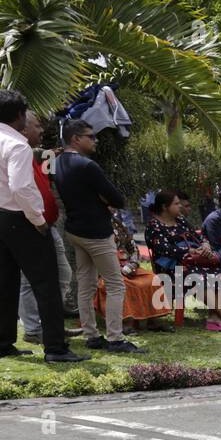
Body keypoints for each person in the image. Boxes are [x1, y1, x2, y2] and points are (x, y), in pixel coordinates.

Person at [0, 94, 83, 362]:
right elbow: (21, 187)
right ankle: (55, 348)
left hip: (2, 217)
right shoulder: (17, 145)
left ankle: (3, 342)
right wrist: (38, 220)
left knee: (5, 282)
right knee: (47, 282)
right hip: (20, 218)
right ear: (19, 116)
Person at [53, 117, 140, 353]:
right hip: (95, 232)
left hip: (75, 229)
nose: (96, 140)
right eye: (91, 136)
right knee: (115, 284)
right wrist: (104, 201)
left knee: (86, 284)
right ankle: (115, 338)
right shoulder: (87, 165)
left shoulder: (58, 162)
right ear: (75, 138)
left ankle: (91, 335)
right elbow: (118, 199)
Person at [14, 110, 77, 348]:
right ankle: (33, 329)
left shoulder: (40, 155)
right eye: (37, 125)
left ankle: (51, 323)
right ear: (22, 128)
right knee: (28, 281)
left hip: (46, 224)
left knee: (63, 274)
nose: (42, 130)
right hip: (29, 224)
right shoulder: (19, 152)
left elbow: (50, 178)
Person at [147, 190, 221, 332]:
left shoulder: (181, 220)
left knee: (220, 273)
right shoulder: (154, 225)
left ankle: (214, 318)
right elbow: (163, 249)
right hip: (171, 267)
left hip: (193, 261)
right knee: (200, 276)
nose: (180, 207)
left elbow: (199, 237)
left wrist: (205, 246)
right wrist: (188, 251)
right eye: (176, 204)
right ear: (164, 207)